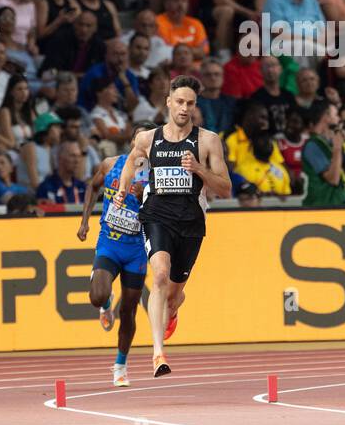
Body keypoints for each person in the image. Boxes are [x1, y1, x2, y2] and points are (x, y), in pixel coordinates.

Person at [114, 76, 231, 377]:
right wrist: (122, 189)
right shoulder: (148, 139)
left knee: (174, 294)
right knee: (160, 277)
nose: (184, 108)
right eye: (179, 102)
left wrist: (199, 170)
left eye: (190, 103)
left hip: (191, 222)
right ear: (168, 102)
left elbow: (225, 188)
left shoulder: (207, 141)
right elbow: (130, 163)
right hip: (156, 215)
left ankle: (175, 307)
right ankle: (158, 354)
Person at [78, 149, 150, 387]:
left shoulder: (154, 174)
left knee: (128, 311)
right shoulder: (111, 164)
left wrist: (145, 198)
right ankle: (105, 305)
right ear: (133, 143)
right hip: (110, 243)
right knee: (97, 296)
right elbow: (92, 186)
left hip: (136, 250)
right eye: (139, 143)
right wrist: (85, 221)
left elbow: (164, 212)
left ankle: (120, 366)